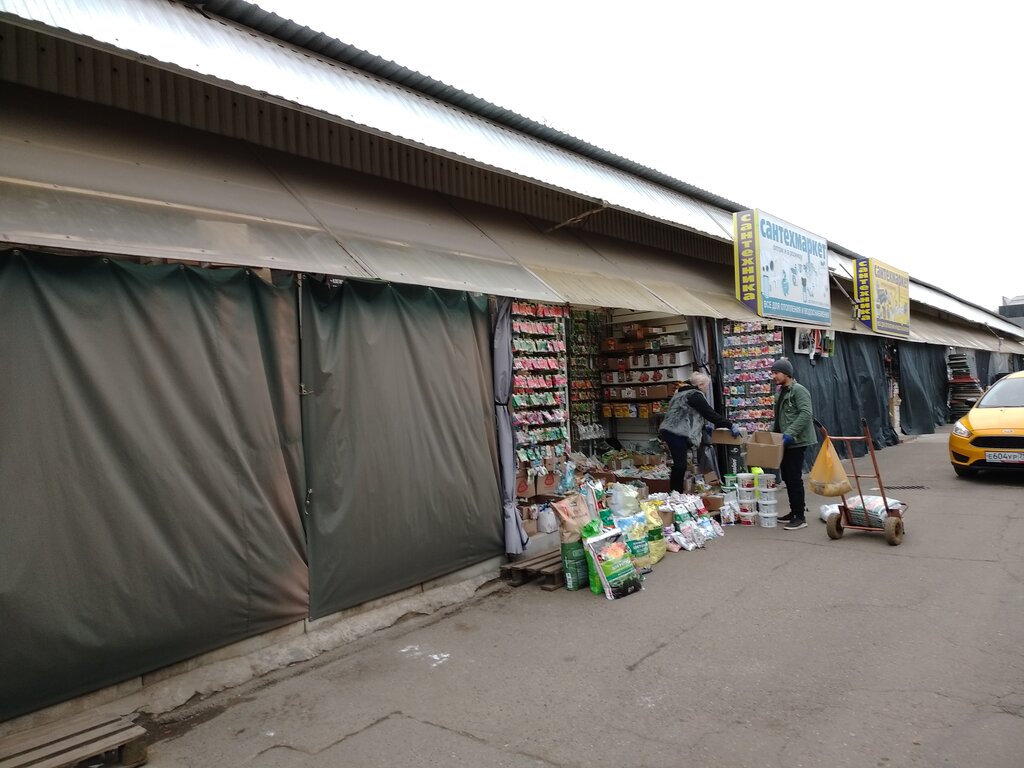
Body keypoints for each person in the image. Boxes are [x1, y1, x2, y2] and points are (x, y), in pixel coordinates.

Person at [659, 371, 739, 493]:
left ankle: (677, 492)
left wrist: (703, 427)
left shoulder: (682, 393)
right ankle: (675, 494)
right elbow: (709, 414)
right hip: (676, 432)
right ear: (701, 385)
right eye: (706, 386)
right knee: (680, 465)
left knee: (680, 464)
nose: (707, 389)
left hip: (672, 431)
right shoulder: (694, 395)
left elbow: (686, 414)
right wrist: (730, 425)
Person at [770, 358, 817, 530]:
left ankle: (800, 516)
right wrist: (771, 434)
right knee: (788, 478)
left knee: (794, 478)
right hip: (784, 441)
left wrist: (790, 434)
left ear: (786, 373)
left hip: (796, 441)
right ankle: (794, 511)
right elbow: (779, 418)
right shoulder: (781, 391)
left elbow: (806, 414)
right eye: (772, 373)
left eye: (776, 373)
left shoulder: (798, 390)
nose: (773, 376)